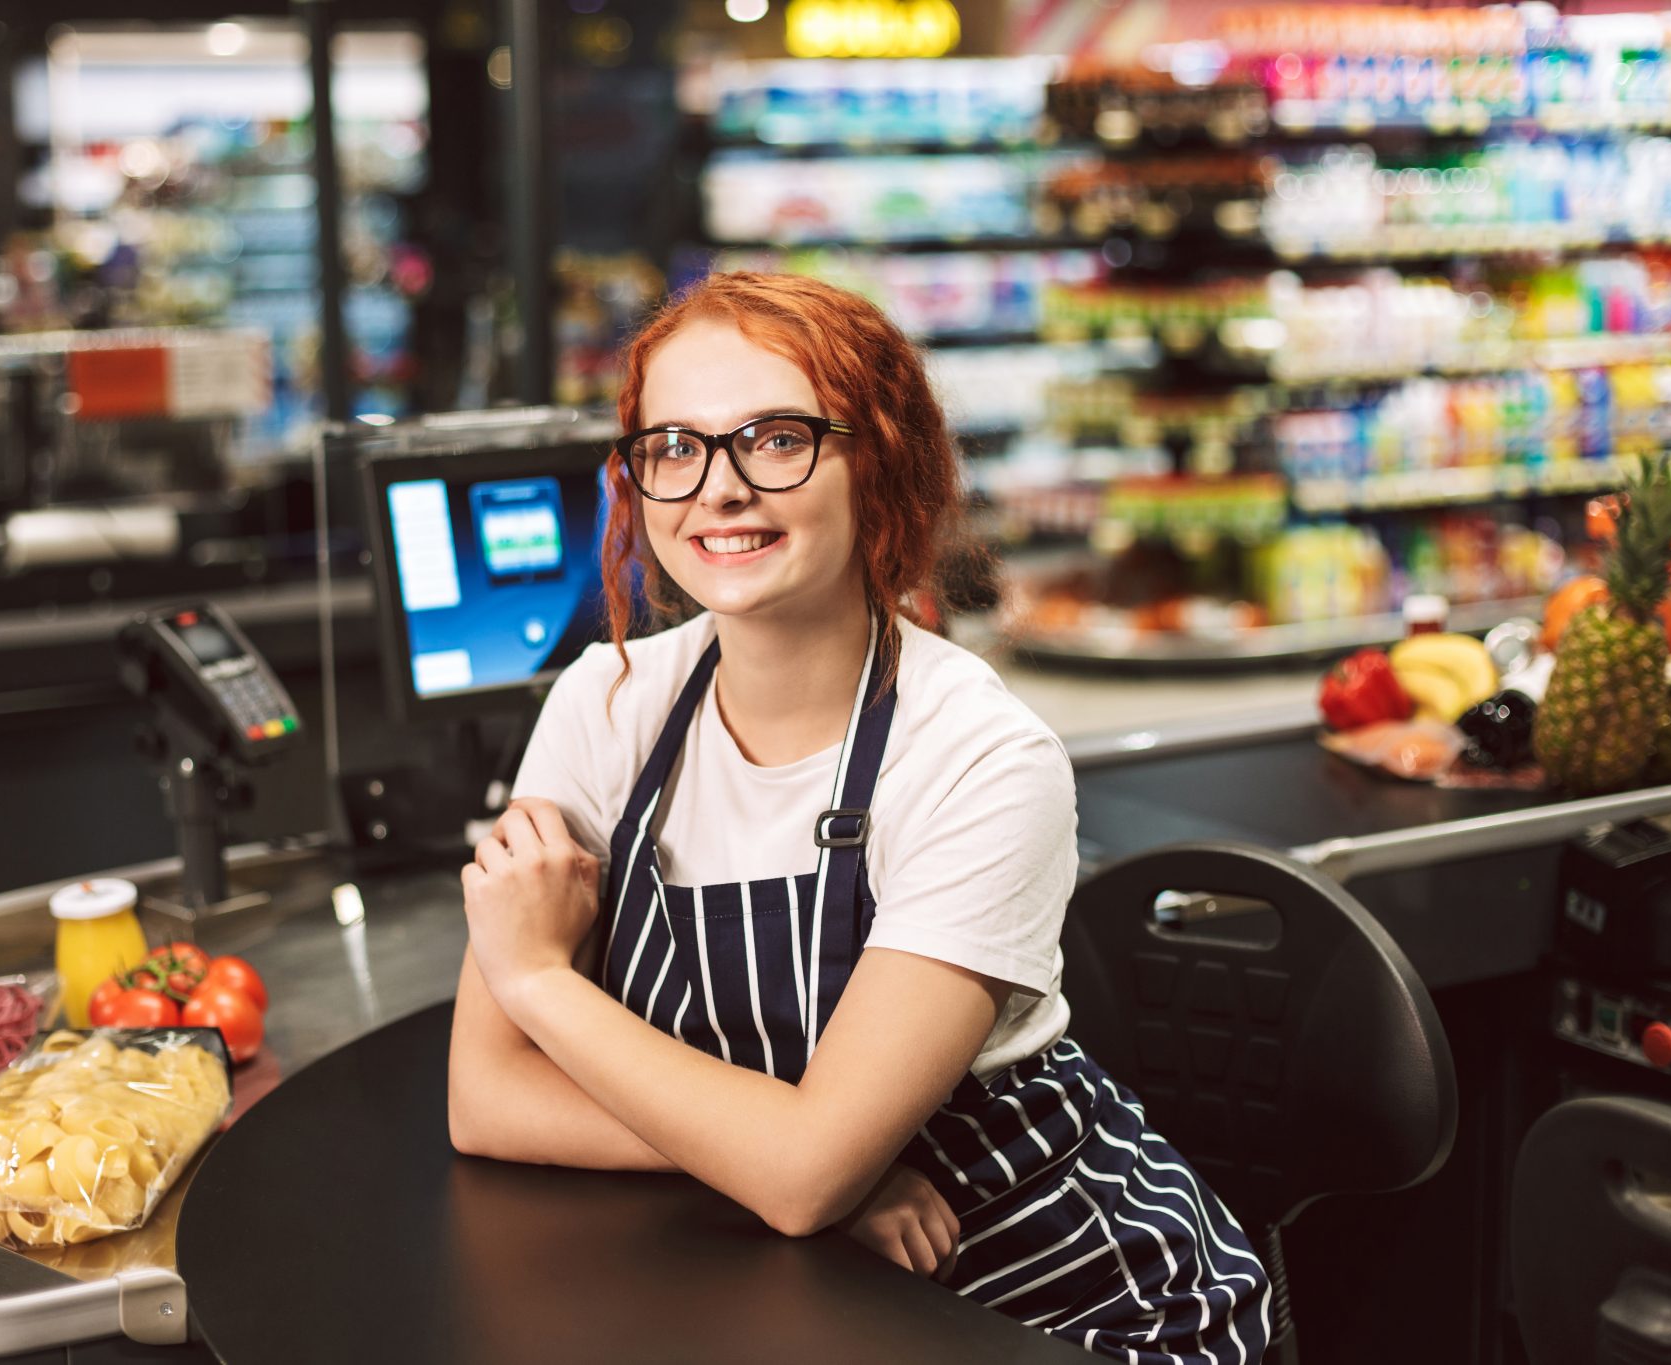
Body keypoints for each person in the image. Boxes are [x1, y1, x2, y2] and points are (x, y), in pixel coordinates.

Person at [447, 272, 1270, 1362]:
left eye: (775, 439)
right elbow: (487, 1099)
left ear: (877, 457)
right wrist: (804, 1161)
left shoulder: (979, 758)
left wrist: (539, 978)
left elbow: (793, 1175)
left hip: (1055, 1305)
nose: (718, 489)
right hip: (803, 1290)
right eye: (674, 447)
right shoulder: (606, 709)